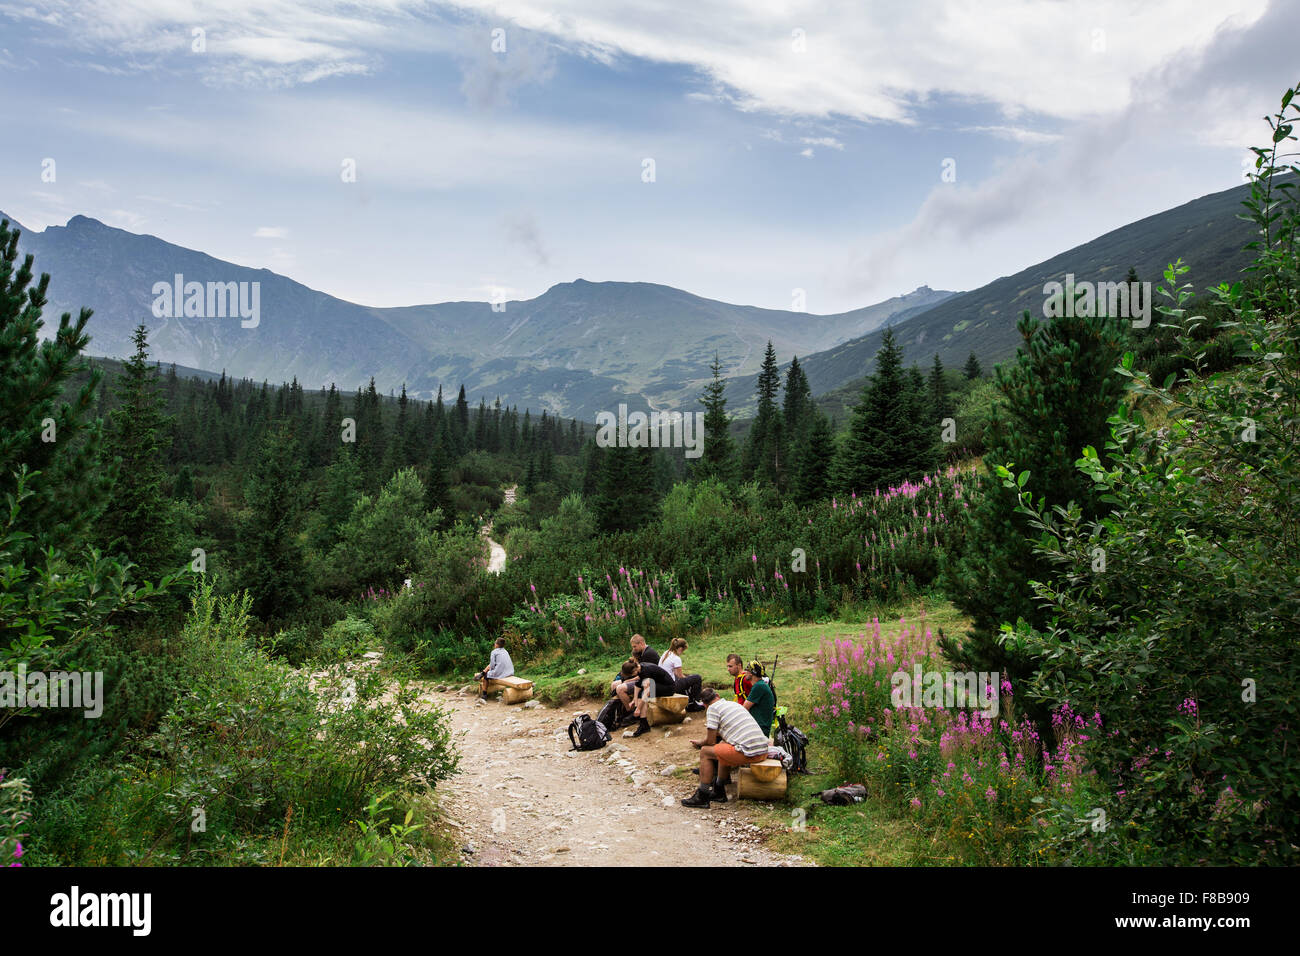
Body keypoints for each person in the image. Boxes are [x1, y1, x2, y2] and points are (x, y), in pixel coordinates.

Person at [681, 688, 770, 808]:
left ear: (705, 705)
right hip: (762, 750)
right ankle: (719, 790)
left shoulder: (712, 709)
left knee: (705, 752)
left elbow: (711, 741)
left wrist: (700, 743)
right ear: (717, 695)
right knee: (722, 746)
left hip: (749, 752)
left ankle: (702, 796)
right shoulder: (733, 704)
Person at [626, 658, 677, 737]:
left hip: (668, 688)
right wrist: (634, 701)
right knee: (641, 693)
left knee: (644, 693)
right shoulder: (640, 667)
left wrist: (638, 708)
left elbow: (647, 692)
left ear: (634, 670)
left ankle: (643, 724)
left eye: (631, 675)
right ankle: (643, 724)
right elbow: (637, 685)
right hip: (657, 685)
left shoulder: (646, 670)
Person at [660, 637, 704, 712]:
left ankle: (689, 701)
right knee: (697, 678)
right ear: (680, 648)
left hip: (664, 683)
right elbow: (680, 676)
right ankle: (695, 702)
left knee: (686, 680)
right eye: (683, 650)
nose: (682, 653)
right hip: (672, 685)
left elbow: (674, 672)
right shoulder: (676, 658)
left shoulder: (666, 653)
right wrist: (688, 678)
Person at [741, 660, 775, 738]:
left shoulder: (759, 687)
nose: (745, 672)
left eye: (747, 670)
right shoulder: (761, 685)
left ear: (752, 673)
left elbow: (744, 708)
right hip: (757, 728)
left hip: (758, 731)